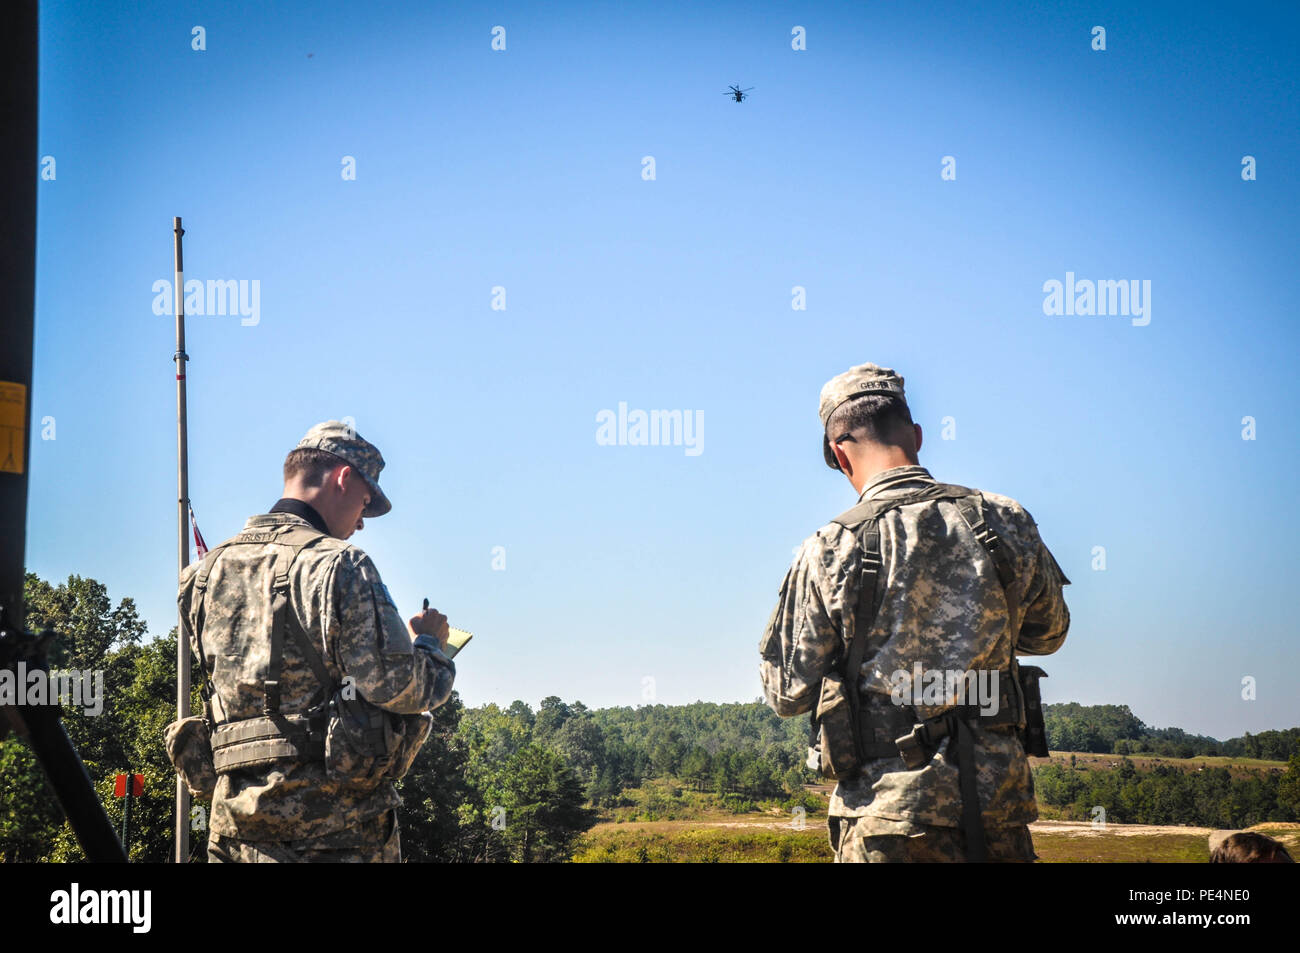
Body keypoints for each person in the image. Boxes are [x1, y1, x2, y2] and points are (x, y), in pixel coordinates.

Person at [759, 363, 1071, 863]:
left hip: (889, 817)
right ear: (917, 436)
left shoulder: (832, 546)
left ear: (840, 454)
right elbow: (1050, 632)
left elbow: (787, 691)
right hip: (998, 811)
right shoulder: (1004, 519)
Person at [175, 420, 456, 862]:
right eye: (365, 503)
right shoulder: (341, 565)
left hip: (234, 834)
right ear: (343, 478)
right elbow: (405, 689)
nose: (361, 522)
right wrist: (430, 645)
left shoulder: (201, 576)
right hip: (337, 835)